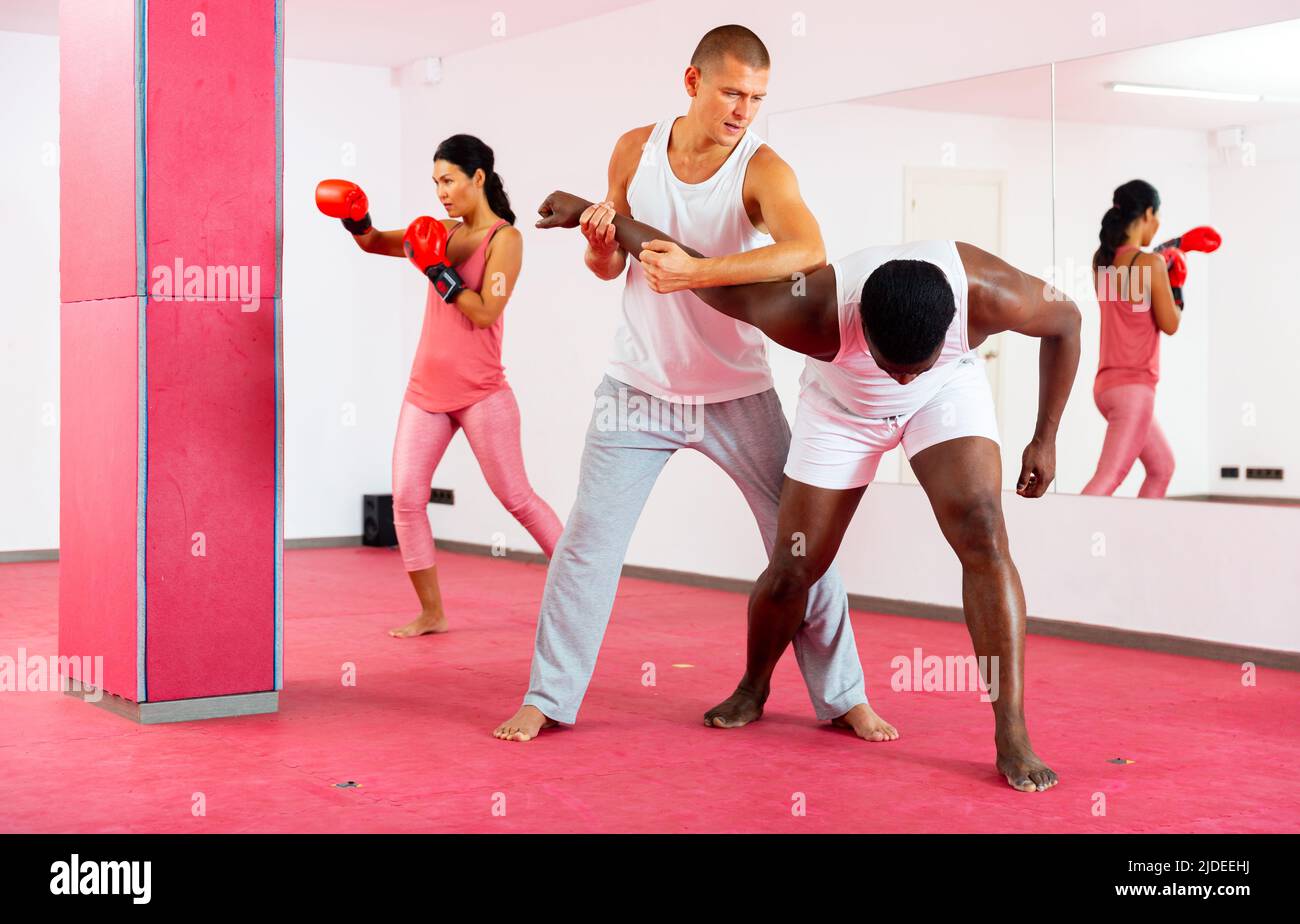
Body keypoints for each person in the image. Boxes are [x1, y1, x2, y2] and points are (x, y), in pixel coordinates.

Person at [534, 188, 1081, 792]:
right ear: (860, 324)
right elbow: (703, 276)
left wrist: (1046, 436)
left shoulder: (988, 292)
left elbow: (1068, 322)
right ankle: (754, 684)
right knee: (797, 564)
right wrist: (600, 215)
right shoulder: (811, 311)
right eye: (889, 361)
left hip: (943, 399)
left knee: (983, 530)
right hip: (841, 410)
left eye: (912, 363)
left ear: (955, 324)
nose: (899, 375)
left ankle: (1012, 732)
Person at [493, 25, 894, 743]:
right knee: (587, 543)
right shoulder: (633, 150)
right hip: (636, 388)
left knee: (803, 544)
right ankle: (548, 696)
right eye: (732, 92)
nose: (744, 109)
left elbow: (807, 250)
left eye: (757, 97)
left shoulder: (761, 168)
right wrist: (596, 245)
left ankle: (843, 696)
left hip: (736, 391)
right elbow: (609, 267)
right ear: (692, 83)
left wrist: (696, 271)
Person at [315, 134, 563, 638]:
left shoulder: (505, 240)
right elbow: (373, 242)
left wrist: (438, 271)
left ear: (478, 177)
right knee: (407, 499)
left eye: (448, 180)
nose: (442, 192)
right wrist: (356, 216)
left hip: (481, 393)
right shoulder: (439, 231)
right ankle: (432, 612)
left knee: (517, 498)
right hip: (425, 391)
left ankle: (584, 586)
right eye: (435, 182)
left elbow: (486, 312)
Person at [1081, 179, 1181, 498]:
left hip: (1106, 387)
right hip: (1133, 390)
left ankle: (1140, 539)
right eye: (1158, 215)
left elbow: (1131, 302)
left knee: (1162, 466)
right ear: (1149, 213)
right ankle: (1068, 541)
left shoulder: (1103, 264)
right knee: (1108, 477)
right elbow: (1170, 323)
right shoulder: (1150, 264)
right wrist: (1176, 285)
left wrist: (1162, 267)